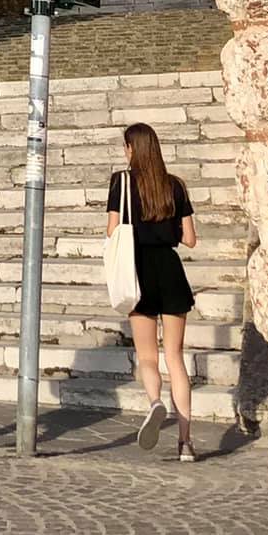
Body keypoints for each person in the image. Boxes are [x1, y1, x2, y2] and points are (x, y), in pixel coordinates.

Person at [109, 120, 197, 461]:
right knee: (175, 356)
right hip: (171, 271)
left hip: (138, 271)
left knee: (147, 357)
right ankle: (186, 442)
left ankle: (155, 402)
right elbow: (190, 238)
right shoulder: (175, 185)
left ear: (132, 149)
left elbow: (112, 230)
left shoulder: (122, 182)